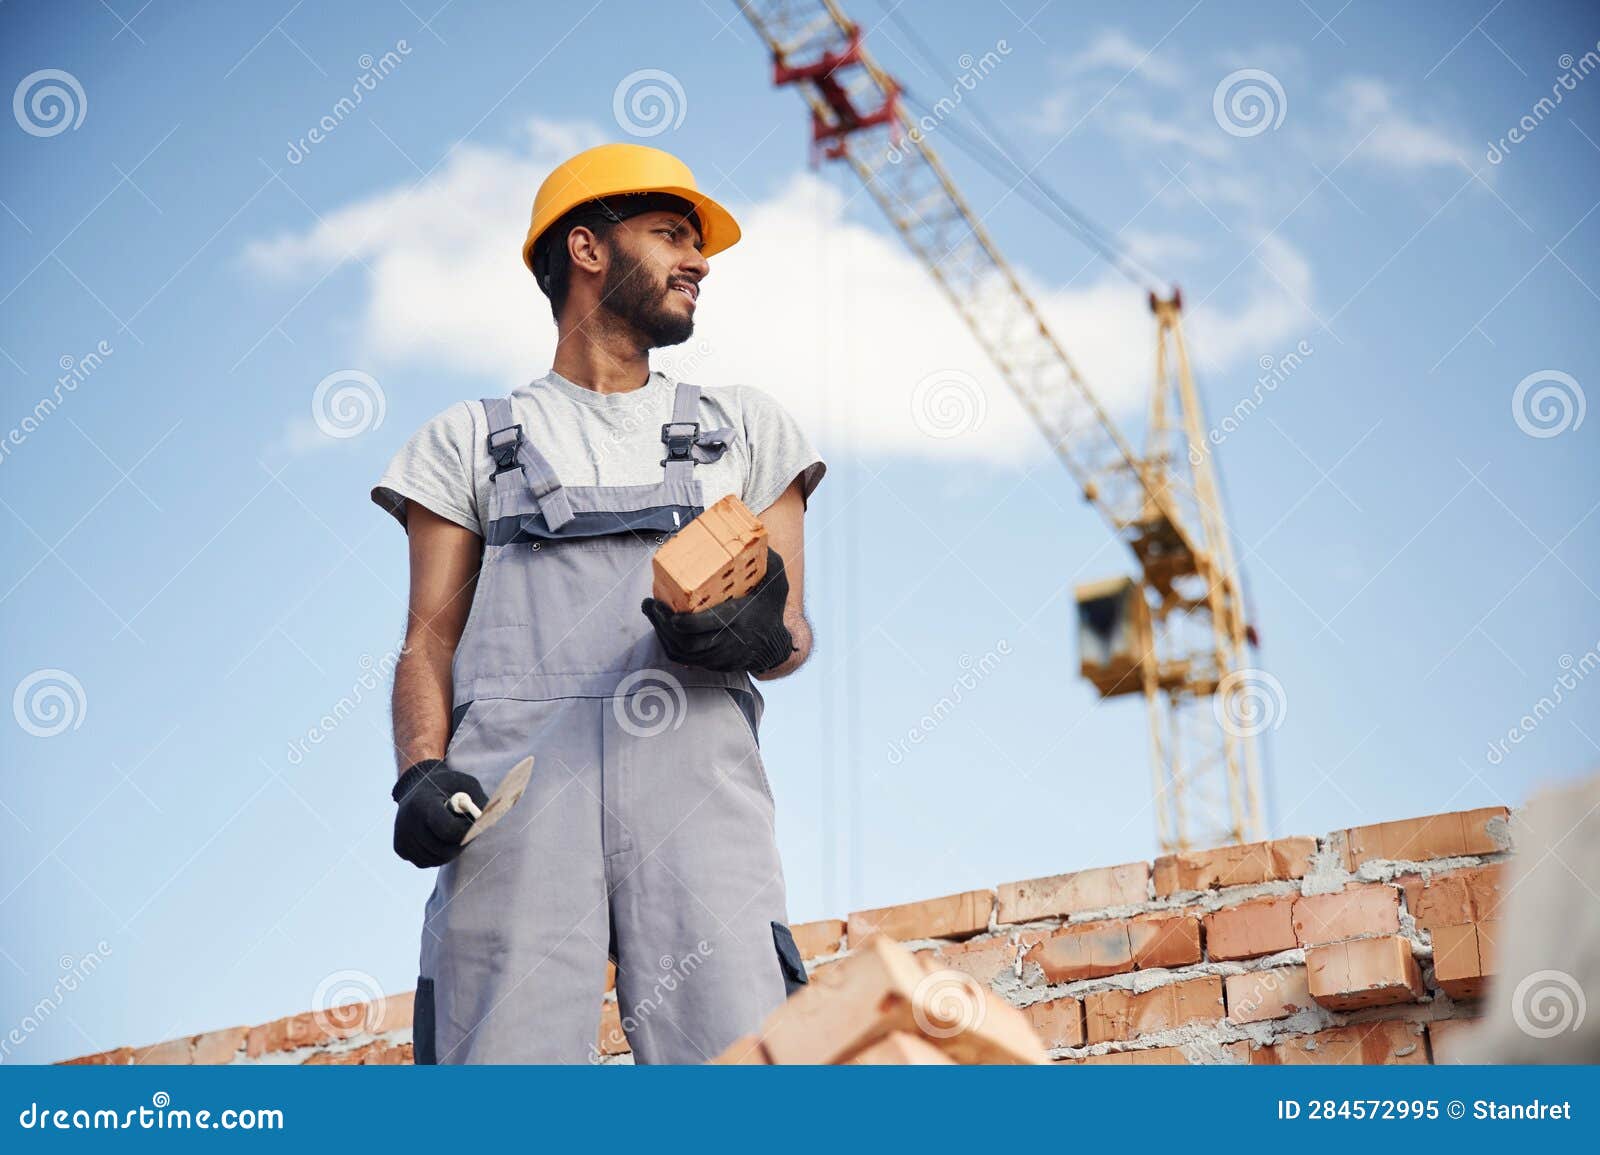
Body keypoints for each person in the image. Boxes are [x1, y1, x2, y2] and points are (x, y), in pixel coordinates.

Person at [369, 143, 825, 1063]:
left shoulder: (744, 427)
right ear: (586, 249)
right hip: (517, 796)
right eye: (669, 236)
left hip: (701, 793)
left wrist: (756, 628)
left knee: (738, 1064)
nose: (698, 262)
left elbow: (792, 635)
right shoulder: (468, 440)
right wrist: (421, 769)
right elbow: (426, 644)